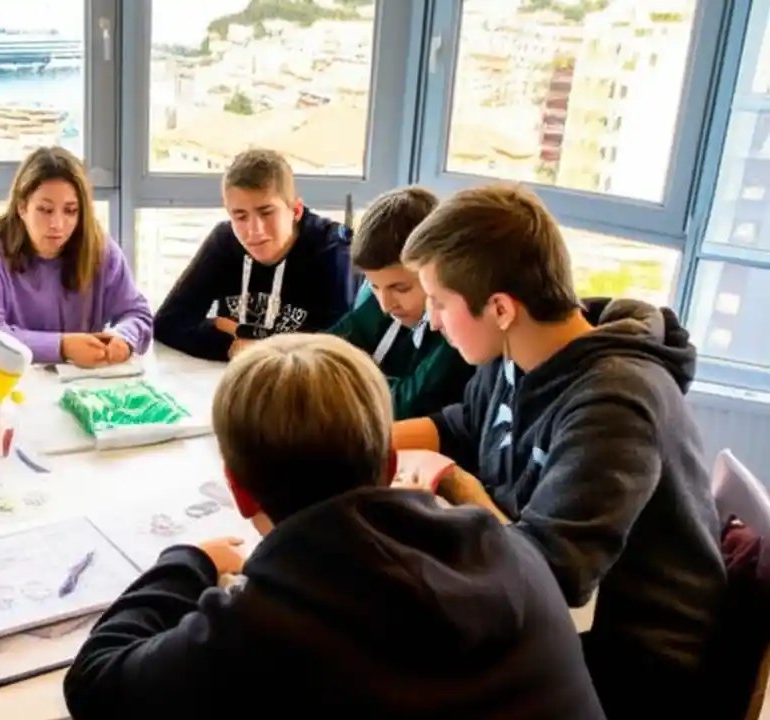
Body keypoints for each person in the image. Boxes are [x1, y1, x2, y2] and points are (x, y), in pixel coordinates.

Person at [63, 334, 606, 720]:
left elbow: (94, 683)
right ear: (393, 463)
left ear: (237, 487)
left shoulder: (264, 623)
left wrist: (188, 562)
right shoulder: (509, 549)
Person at [392, 183, 725, 718]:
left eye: (438, 302)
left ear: (500, 307)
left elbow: (553, 577)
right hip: (560, 618)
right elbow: (460, 426)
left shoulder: (614, 403)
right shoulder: (517, 353)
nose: (430, 320)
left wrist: (456, 484)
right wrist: (353, 436)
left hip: (631, 665)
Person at [152, 149, 355, 361]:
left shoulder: (333, 251)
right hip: (231, 377)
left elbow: (334, 349)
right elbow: (167, 322)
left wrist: (247, 341)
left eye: (266, 213)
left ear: (296, 210)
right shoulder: (224, 240)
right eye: (240, 216)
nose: (254, 230)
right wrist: (234, 347)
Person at [0, 146, 152, 367]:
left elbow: (136, 313)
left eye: (70, 211)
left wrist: (124, 338)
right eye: (45, 210)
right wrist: (62, 347)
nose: (57, 224)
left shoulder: (101, 249)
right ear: (22, 207)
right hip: (18, 385)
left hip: (86, 385)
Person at [326, 186, 474, 419]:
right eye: (374, 287)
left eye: (401, 288)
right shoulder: (387, 302)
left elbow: (403, 406)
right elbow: (323, 351)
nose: (386, 305)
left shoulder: (454, 332)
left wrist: (347, 376)